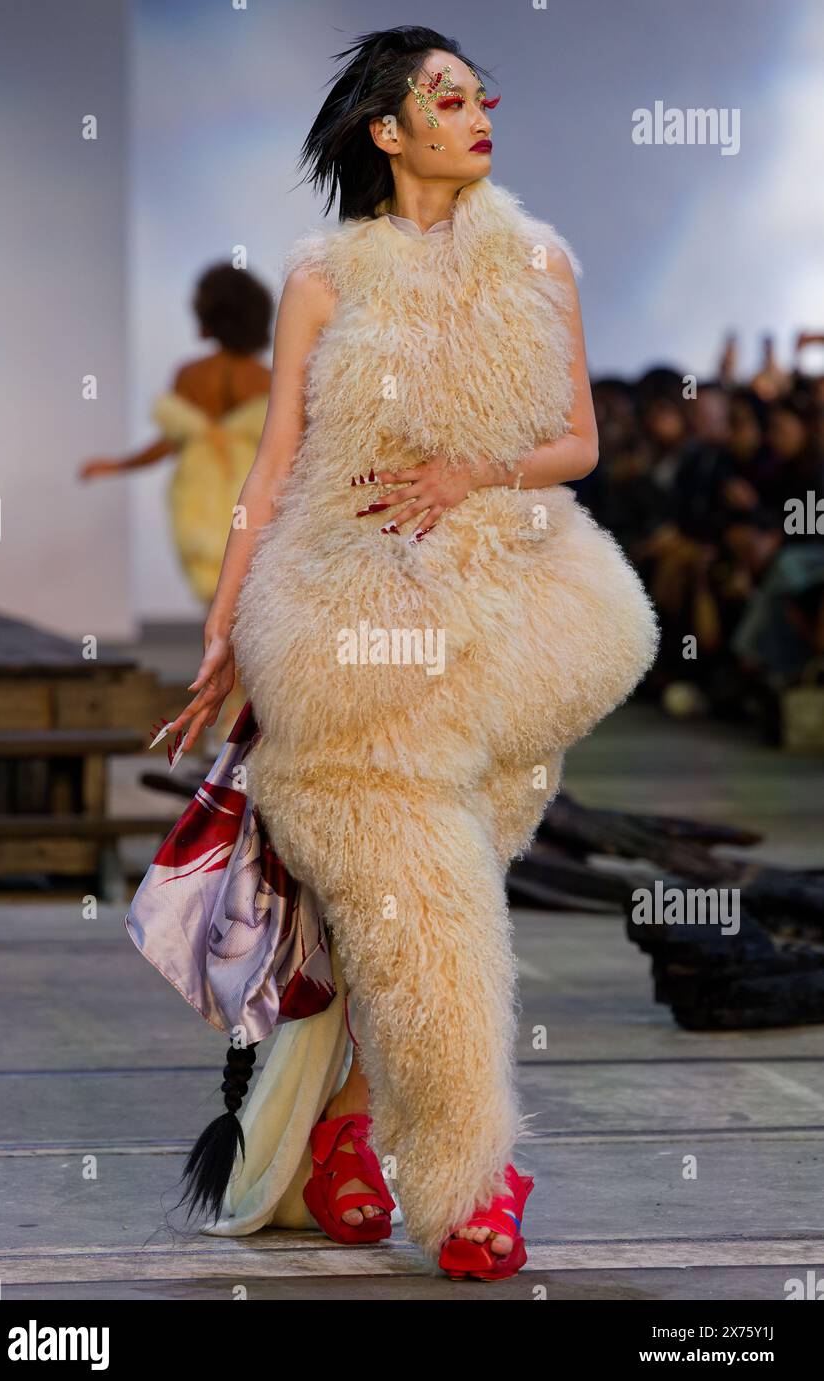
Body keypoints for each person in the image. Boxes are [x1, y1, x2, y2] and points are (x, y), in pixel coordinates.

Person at [126, 24, 658, 1281]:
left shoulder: (538, 258)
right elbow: (272, 466)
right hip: (346, 614)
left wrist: (476, 468)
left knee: (417, 906)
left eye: (484, 96)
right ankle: (465, 1176)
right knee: (423, 901)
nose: (477, 115)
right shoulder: (323, 274)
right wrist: (222, 623)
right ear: (387, 129)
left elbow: (579, 441)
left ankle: (358, 1125)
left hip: (521, 610)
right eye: (446, 98)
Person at [80, 264, 272, 606]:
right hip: (254, 488)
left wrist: (116, 465)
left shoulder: (191, 375)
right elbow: (285, 448)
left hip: (198, 493)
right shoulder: (266, 379)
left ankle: (216, 658)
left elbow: (170, 441)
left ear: (208, 315)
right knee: (255, 591)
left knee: (214, 594)